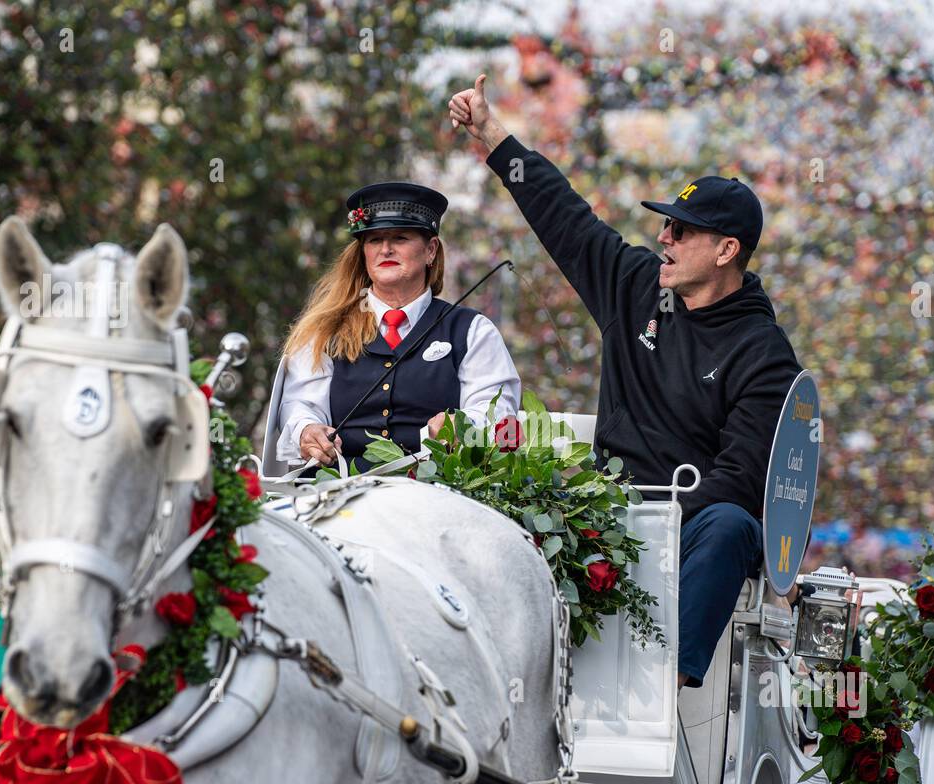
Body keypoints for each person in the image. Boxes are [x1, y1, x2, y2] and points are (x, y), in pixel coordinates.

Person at [449, 75, 802, 690]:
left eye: (681, 230)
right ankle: (486, 680)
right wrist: (491, 135)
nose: (663, 238)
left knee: (732, 527)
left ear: (726, 251)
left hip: (685, 526)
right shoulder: (637, 286)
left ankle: (665, 686)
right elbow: (566, 218)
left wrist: (647, 518)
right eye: (666, 226)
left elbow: (741, 482)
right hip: (604, 508)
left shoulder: (765, 354)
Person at [262, 181, 521, 475]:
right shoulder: (325, 330)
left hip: (439, 492)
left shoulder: (472, 331)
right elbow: (300, 404)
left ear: (431, 250)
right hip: (337, 489)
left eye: (400, 238)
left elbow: (497, 411)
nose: (385, 249)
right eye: (373, 240)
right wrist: (307, 430)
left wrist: (462, 426)